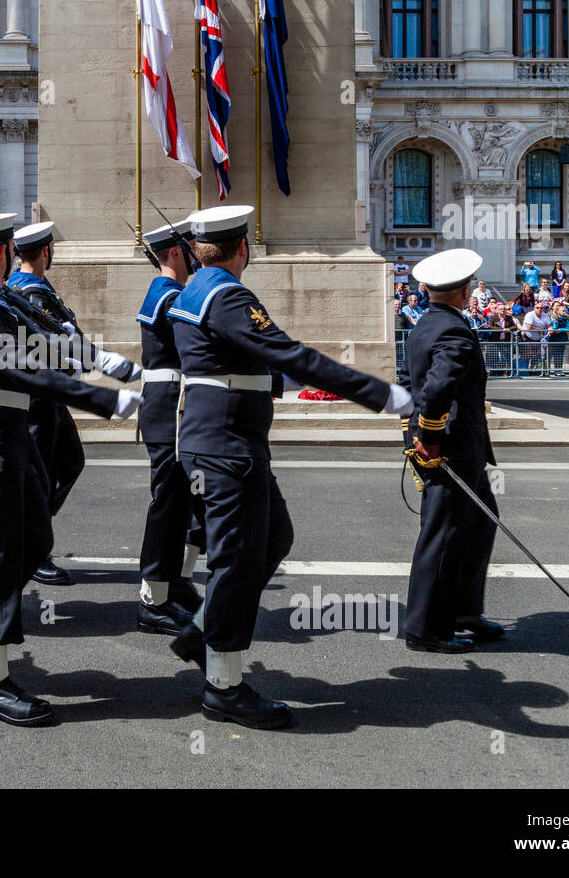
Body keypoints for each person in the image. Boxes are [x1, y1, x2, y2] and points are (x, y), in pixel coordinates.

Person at [166, 205, 412, 730]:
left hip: (221, 440)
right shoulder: (227, 294)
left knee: (274, 538)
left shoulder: (192, 290)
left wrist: (299, 387)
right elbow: (289, 354)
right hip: (228, 447)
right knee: (235, 561)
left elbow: (232, 365)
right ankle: (223, 686)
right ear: (243, 248)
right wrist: (378, 393)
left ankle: (201, 630)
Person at [0, 211, 138, 727]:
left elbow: (41, 341)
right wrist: (102, 398)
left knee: (35, 540)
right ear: (2, 252)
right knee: (2, 557)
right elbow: (23, 361)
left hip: (11, 438)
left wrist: (94, 355)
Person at [8, 220, 141, 585]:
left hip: (53, 395)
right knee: (44, 474)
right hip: (41, 399)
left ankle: (34, 538)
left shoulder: (30, 289)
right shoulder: (28, 293)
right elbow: (40, 347)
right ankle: (32, 547)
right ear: (48, 251)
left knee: (68, 463)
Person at [403, 248, 503, 653]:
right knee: (443, 532)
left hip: (457, 443)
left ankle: (462, 610)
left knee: (479, 522)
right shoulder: (454, 332)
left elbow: (421, 382)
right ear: (464, 293)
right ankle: (426, 628)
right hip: (450, 444)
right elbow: (438, 387)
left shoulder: (427, 324)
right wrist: (430, 433)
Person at [135, 221, 205, 635]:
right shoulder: (169, 295)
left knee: (181, 500)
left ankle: (173, 581)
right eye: (193, 246)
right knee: (167, 503)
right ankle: (152, 598)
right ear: (176, 252)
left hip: (174, 406)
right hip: (169, 407)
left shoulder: (169, 292)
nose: (199, 253)